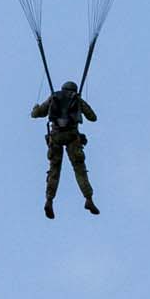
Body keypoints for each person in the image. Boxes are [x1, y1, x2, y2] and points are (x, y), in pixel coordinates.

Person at [32, 79, 97, 217]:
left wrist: (35, 108)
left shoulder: (54, 97)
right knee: (79, 169)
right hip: (72, 138)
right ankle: (88, 199)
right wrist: (80, 103)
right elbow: (93, 117)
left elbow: (37, 113)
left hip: (55, 137)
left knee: (54, 170)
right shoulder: (76, 99)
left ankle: (49, 200)